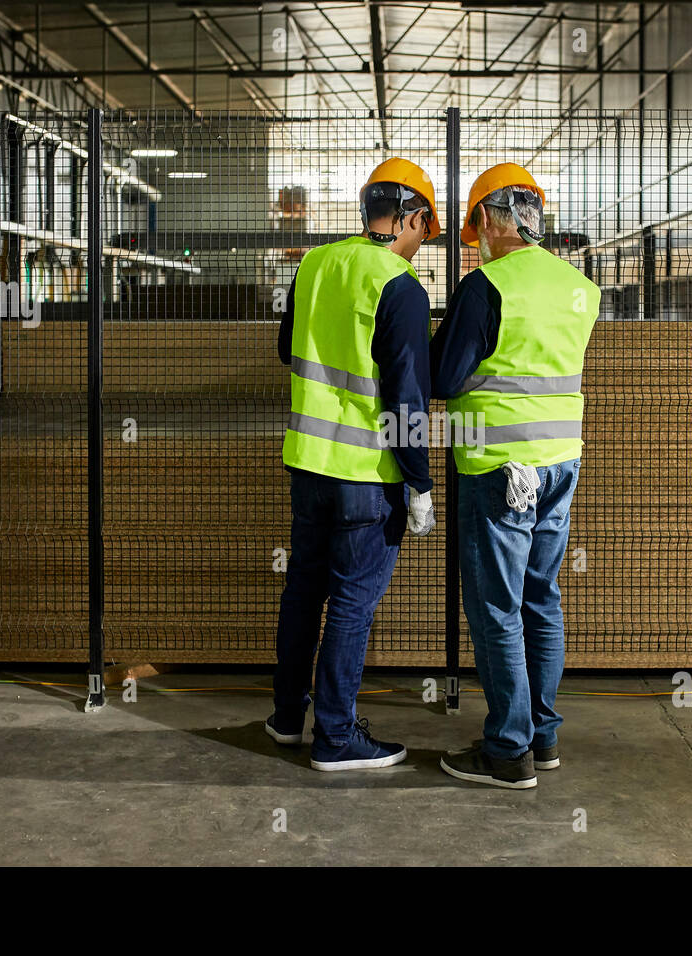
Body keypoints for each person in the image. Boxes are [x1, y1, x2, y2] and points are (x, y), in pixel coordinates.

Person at [431, 163, 600, 789]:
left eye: (473, 222)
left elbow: (445, 381)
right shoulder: (581, 287)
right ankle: (544, 738)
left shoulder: (485, 288)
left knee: (497, 607)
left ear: (484, 220)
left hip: (498, 464)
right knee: (540, 600)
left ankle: (507, 750)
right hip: (561, 461)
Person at [267, 158, 439, 771]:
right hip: (366, 478)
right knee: (351, 604)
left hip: (307, 465)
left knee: (303, 594)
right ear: (413, 218)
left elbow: (288, 349)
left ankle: (289, 718)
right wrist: (418, 482)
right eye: (426, 232)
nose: (422, 246)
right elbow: (407, 397)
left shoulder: (313, 264)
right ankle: (336, 739)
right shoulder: (399, 285)